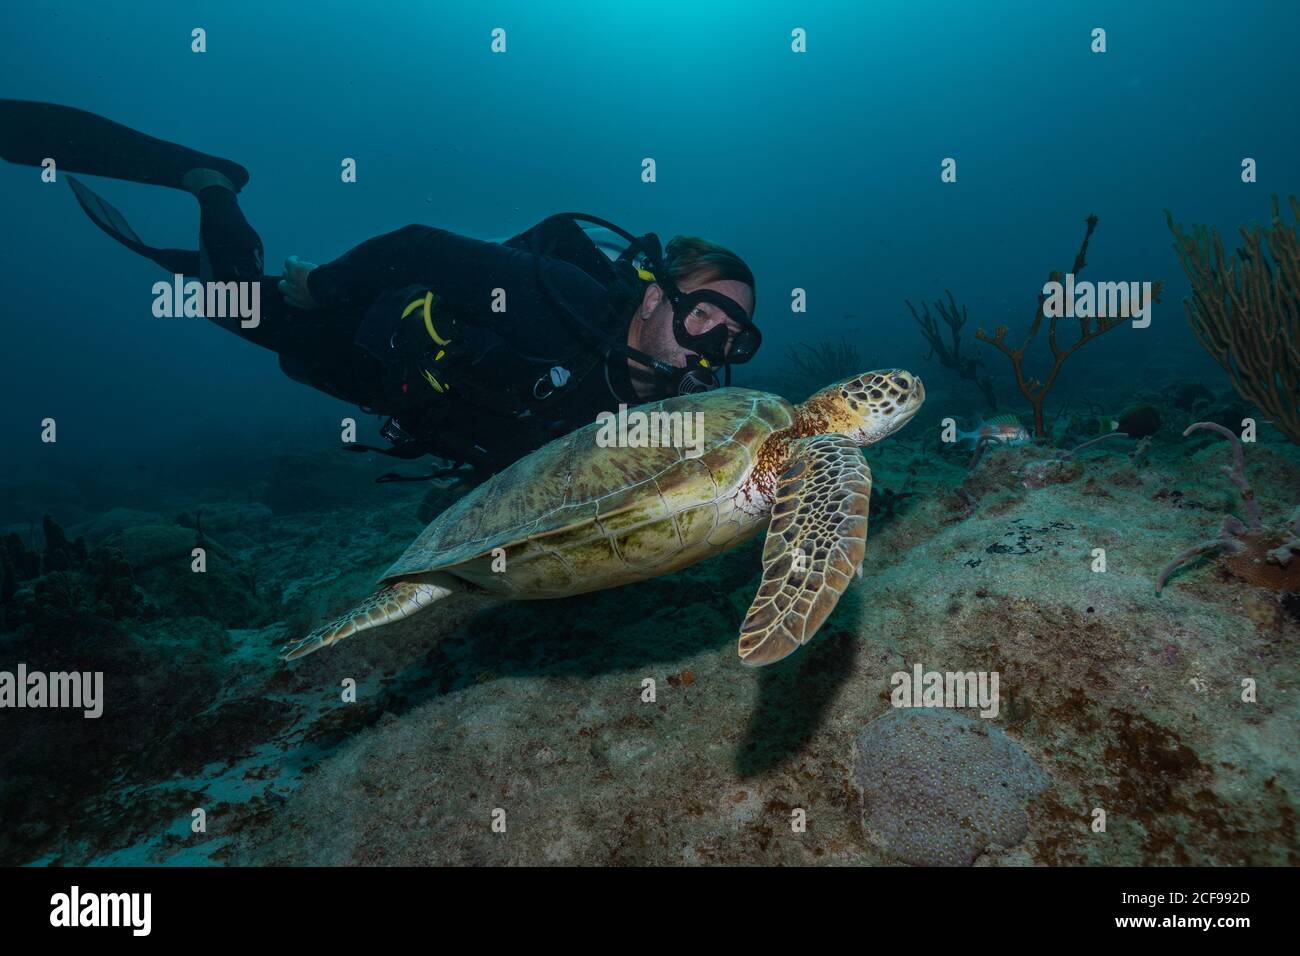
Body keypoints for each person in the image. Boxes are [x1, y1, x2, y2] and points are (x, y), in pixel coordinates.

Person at [0, 100, 762, 478]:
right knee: (229, 304)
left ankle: (204, 252)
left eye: (735, 341)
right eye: (705, 318)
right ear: (655, 297)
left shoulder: (670, 407)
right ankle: (211, 186)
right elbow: (417, 246)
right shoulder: (558, 300)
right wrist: (324, 286)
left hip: (395, 396)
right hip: (350, 327)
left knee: (225, 300)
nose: (714, 351)